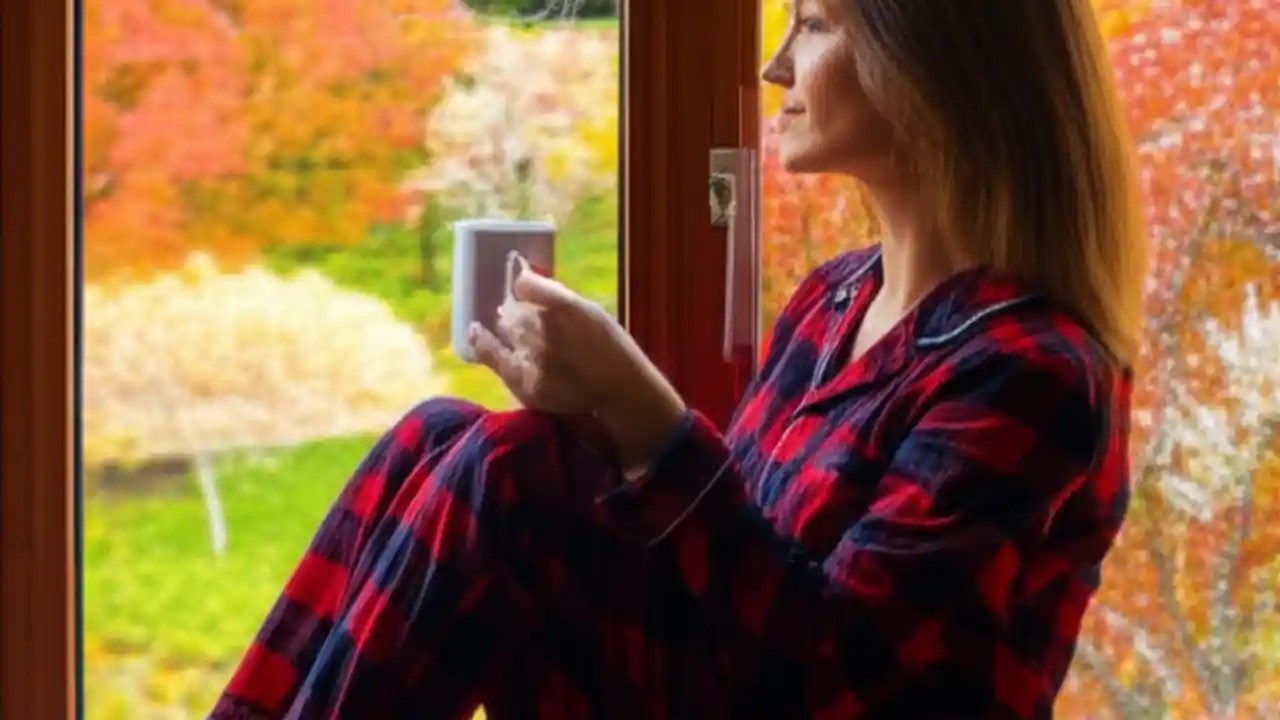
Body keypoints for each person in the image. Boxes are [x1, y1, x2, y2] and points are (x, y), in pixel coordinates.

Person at [210, 0, 1143, 717]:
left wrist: (644, 413)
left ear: (939, 69)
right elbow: (727, 574)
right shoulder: (836, 299)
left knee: (514, 468)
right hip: (719, 690)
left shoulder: (1031, 372)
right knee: (441, 435)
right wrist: (600, 420)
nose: (775, 66)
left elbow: (831, 674)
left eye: (813, 25)